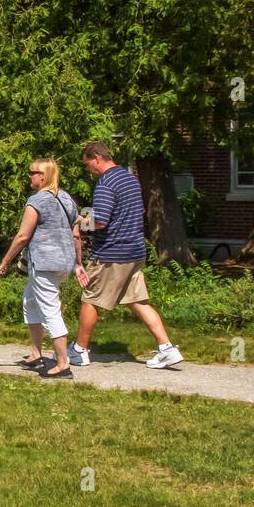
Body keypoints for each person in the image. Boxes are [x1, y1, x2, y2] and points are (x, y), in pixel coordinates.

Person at [69, 141, 183, 369]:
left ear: (97, 158)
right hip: (135, 251)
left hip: (112, 253)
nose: (88, 170)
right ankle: (167, 349)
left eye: (87, 164)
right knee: (137, 300)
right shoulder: (129, 178)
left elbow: (100, 221)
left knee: (90, 298)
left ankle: (79, 351)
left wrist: (80, 221)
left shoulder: (106, 183)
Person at [0, 158, 82, 378]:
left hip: (44, 263)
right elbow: (76, 235)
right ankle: (36, 353)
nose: (30, 176)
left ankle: (63, 364)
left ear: (43, 176)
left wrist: (6, 260)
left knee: (50, 311)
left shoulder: (37, 200)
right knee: (30, 300)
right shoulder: (67, 199)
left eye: (33, 172)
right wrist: (79, 264)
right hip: (62, 263)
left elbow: (23, 235)